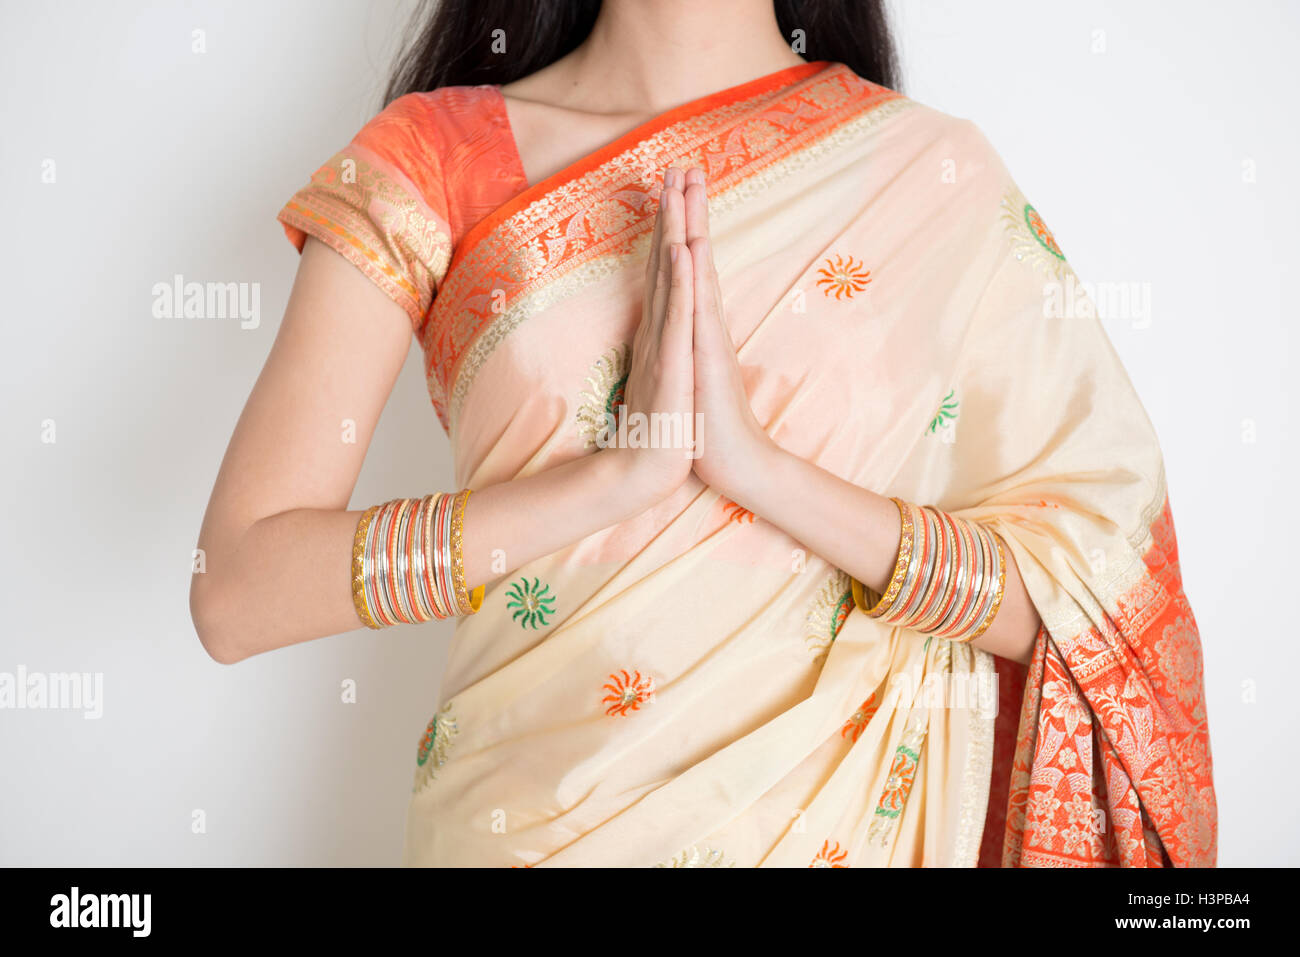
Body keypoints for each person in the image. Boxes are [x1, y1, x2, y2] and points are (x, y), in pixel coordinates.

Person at [190, 0, 1216, 867]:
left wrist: (758, 470)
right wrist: (610, 482)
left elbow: (1099, 615)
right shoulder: (436, 158)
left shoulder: (924, 172)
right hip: (526, 828)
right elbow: (234, 593)